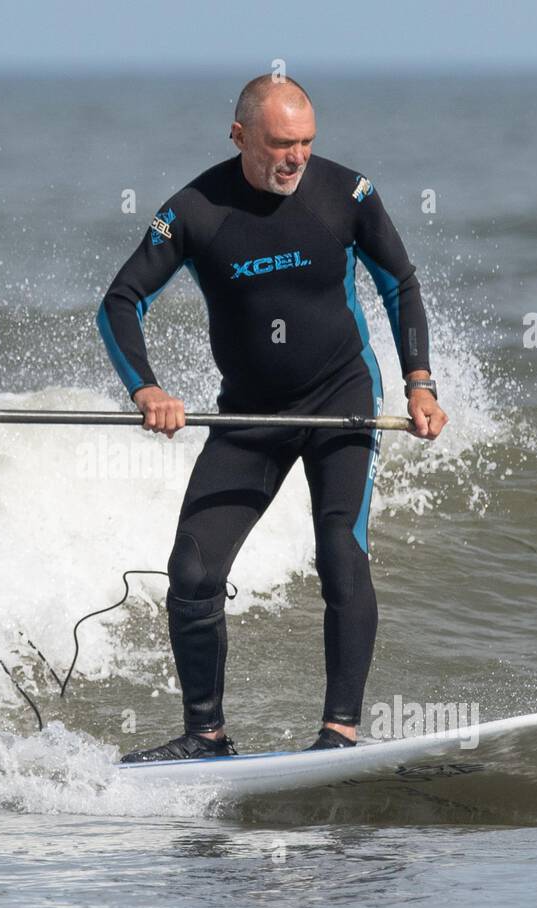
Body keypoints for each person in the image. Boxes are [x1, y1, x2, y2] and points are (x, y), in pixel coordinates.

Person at [96, 75, 448, 761]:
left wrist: (420, 385)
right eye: (280, 144)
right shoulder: (195, 210)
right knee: (192, 570)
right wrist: (147, 390)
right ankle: (206, 736)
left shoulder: (348, 194)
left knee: (341, 554)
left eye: (307, 144)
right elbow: (121, 299)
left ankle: (338, 735)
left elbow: (399, 282)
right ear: (239, 137)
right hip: (250, 414)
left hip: (340, 405)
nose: (296, 159)